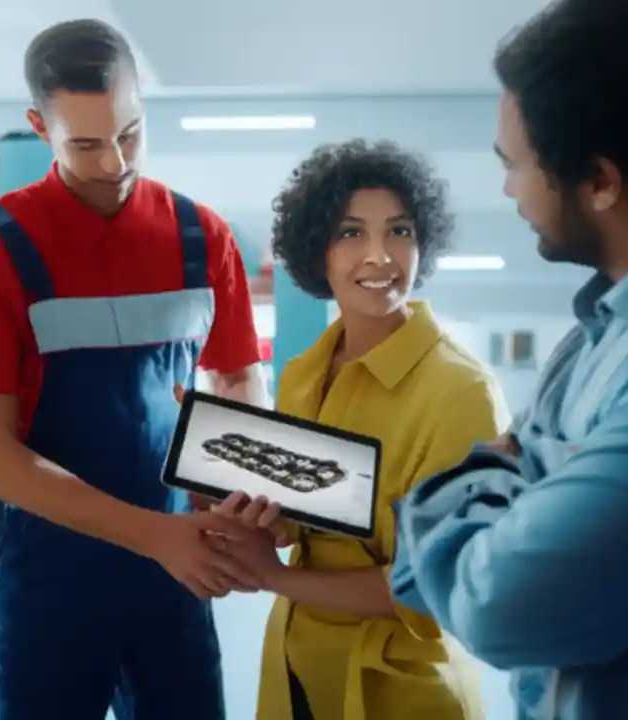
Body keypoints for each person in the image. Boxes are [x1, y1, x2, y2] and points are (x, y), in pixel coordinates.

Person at [389, 1, 628, 718]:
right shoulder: (602, 331)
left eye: (516, 165)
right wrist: (503, 496)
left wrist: (487, 477)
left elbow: (499, 605)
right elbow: (416, 577)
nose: (508, 189)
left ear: (600, 181)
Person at [0, 18, 269, 720]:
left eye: (130, 132)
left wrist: (237, 492)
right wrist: (155, 535)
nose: (114, 161)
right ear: (38, 127)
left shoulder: (203, 237)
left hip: (177, 575)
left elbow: (235, 384)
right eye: (84, 143)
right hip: (52, 584)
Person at [210, 139, 509, 720]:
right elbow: (308, 523)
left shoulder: (462, 393)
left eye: (400, 231)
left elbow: (430, 585)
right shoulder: (303, 374)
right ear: (316, 251)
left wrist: (274, 576)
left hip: (400, 696)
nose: (380, 256)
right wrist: (250, 516)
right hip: (296, 676)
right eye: (351, 233)